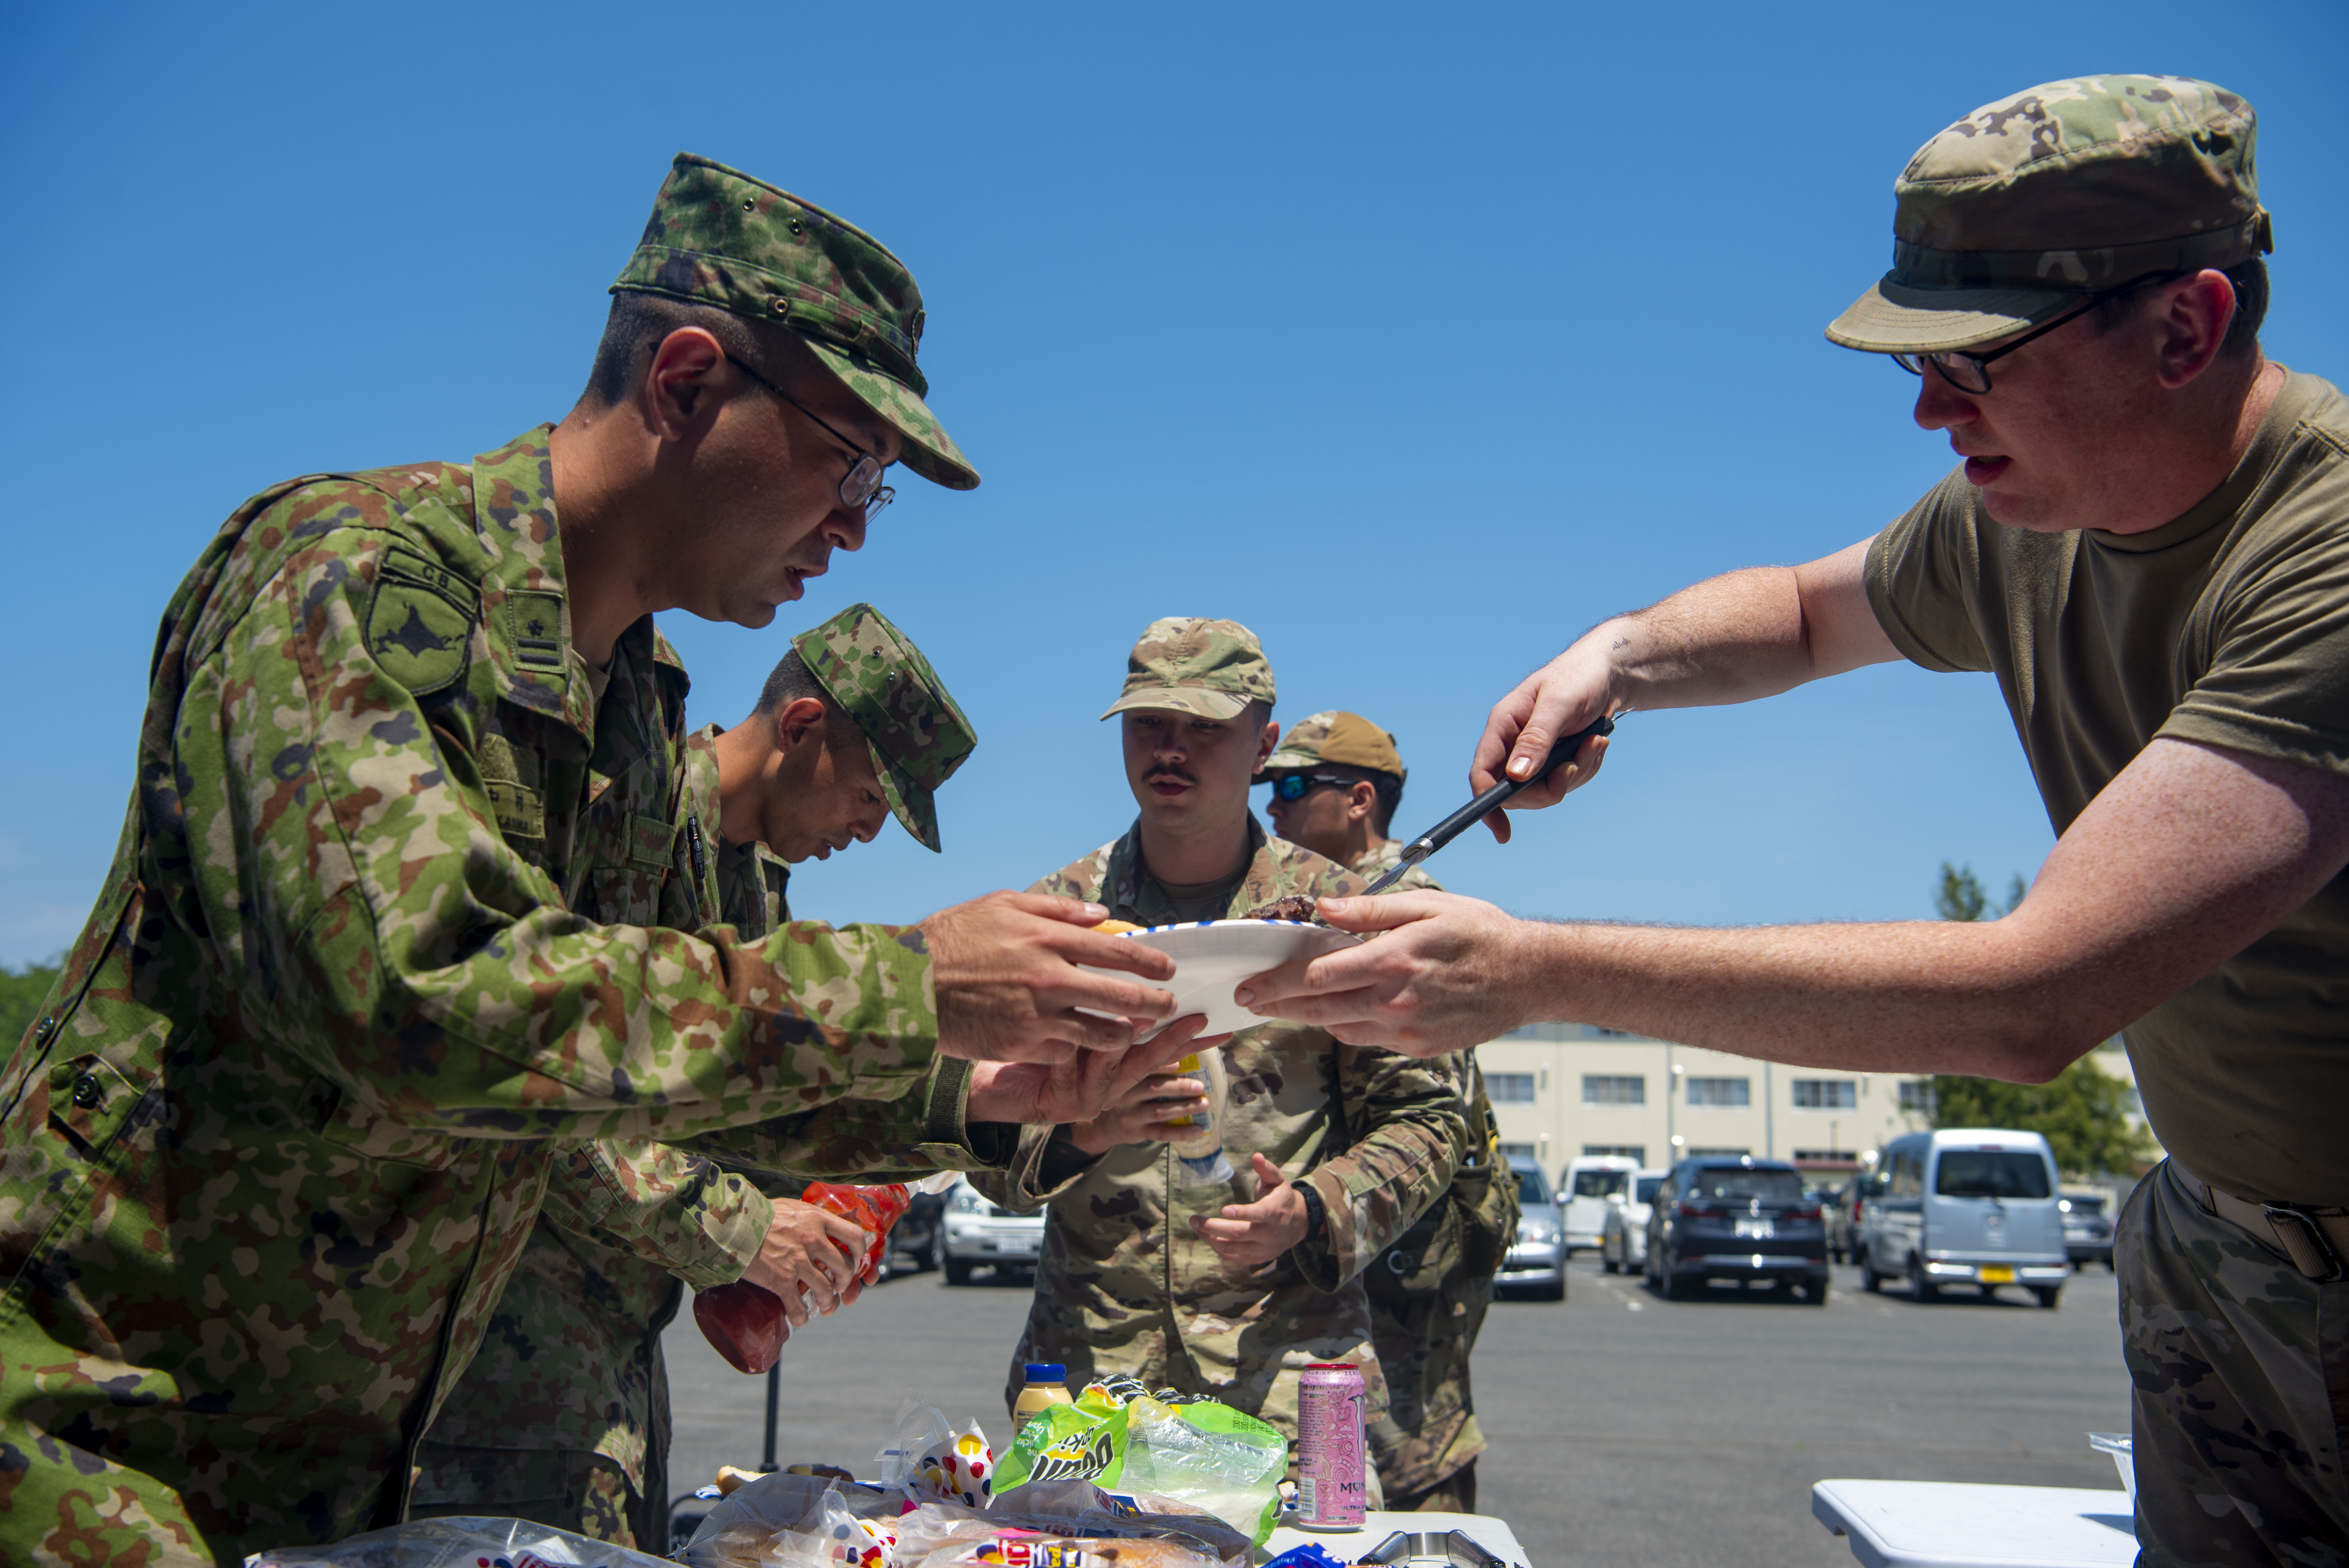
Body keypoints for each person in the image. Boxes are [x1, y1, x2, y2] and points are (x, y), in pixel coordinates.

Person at [0, 153, 1192, 1564]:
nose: (859, 525)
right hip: (106, 1436)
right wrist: (910, 981)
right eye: (850, 460)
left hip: (341, 1464)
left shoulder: (633, 700)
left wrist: (1000, 1104)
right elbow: (418, 996)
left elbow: (669, 1084)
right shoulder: (349, 576)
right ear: (687, 382)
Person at [1239, 76, 2349, 1563]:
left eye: (1977, 359)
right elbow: (1803, 618)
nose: (1927, 407)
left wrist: (1535, 972)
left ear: (2185, 327)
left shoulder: (2322, 562)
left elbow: (2035, 996)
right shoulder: (2029, 511)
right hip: (2218, 1235)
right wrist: (1613, 653)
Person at [411, 602, 976, 1548]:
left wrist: (814, 1207)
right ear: (801, 729)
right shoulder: (617, 809)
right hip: (500, 1370)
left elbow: (719, 1107)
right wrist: (741, 1227)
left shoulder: (751, 885)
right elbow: (531, 1080)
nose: (868, 834)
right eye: (871, 797)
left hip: (613, 1359)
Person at [975, 622, 1471, 1500]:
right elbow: (978, 1131)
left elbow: (1432, 1116)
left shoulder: (1338, 916)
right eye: (1146, 723)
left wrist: (1315, 1208)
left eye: (1203, 725)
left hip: (1280, 1378)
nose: (1169, 748)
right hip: (1090, 1380)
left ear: (1264, 745)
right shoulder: (1056, 917)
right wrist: (1074, 1136)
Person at [1260, 712, 1516, 1513]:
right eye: (1270, 787)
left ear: (1359, 800)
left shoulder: (1397, 909)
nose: (1274, 807)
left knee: (1408, 1458)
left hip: (1403, 1259)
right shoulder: (1333, 904)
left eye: (1295, 786)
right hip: (1355, 1257)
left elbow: (1425, 1122)